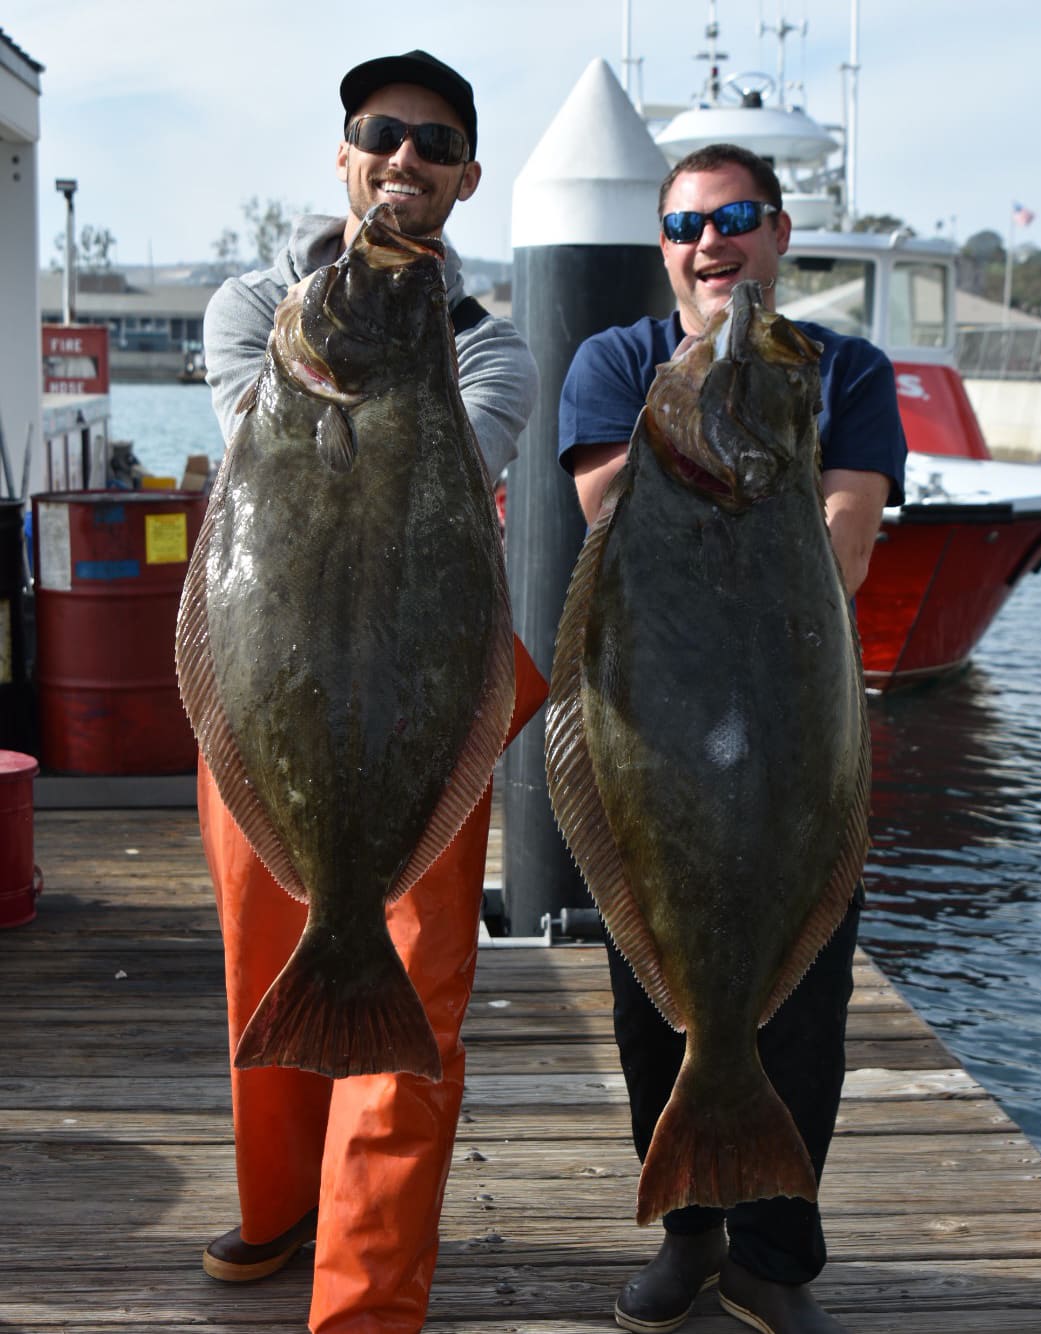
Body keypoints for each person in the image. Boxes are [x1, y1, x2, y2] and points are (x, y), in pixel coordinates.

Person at [197, 50, 546, 1334]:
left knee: (411, 1010)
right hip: (268, 679)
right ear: (344, 153)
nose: (406, 158)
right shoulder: (248, 307)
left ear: (464, 178)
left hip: (419, 705)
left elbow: (452, 459)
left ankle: (365, 1299)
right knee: (261, 961)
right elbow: (264, 452)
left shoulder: (492, 353)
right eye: (382, 133)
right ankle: (282, 1197)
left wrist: (381, 344)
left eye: (435, 144)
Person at [558, 143, 907, 1334]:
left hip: (796, 742)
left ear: (780, 231)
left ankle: (775, 1255)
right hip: (651, 738)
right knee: (652, 999)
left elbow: (848, 535)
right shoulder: (617, 361)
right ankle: (687, 1235)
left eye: (739, 216)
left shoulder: (843, 369)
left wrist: (750, 405)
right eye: (687, 225)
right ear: (664, 246)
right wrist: (708, 401)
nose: (714, 242)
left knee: (801, 1012)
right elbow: (610, 505)